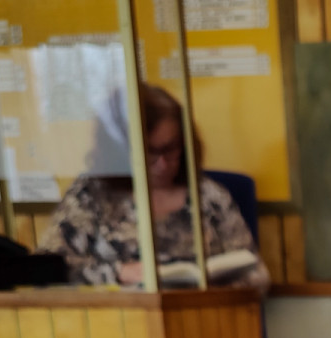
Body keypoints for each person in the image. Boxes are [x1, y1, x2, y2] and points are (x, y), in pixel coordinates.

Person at [39, 83, 269, 291]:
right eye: (150, 153)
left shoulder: (209, 195)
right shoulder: (89, 195)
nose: (162, 164)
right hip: (121, 318)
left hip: (205, 315)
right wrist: (118, 273)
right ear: (121, 151)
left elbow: (257, 274)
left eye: (171, 149)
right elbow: (48, 271)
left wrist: (214, 293)